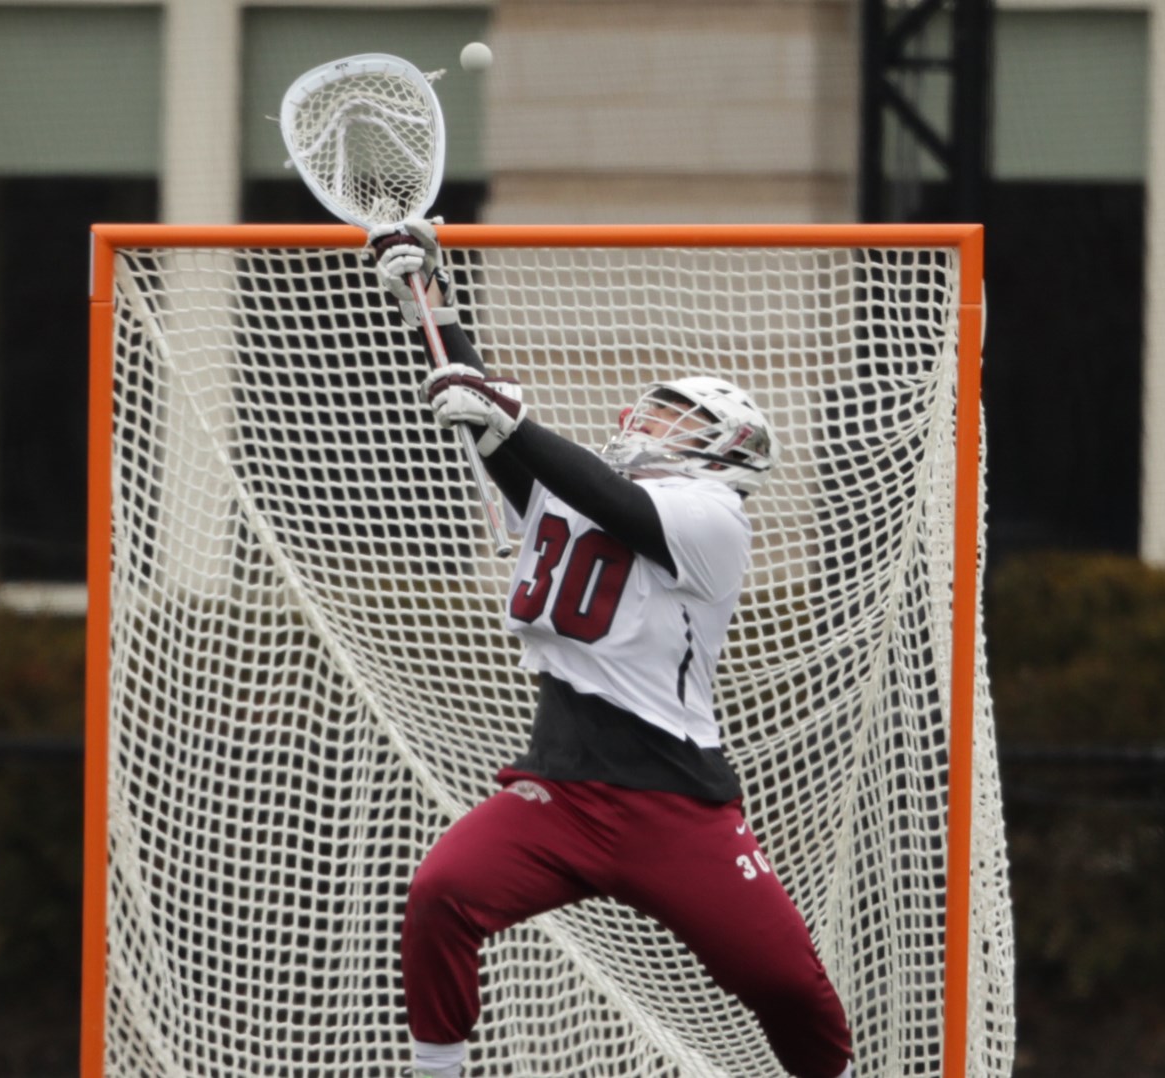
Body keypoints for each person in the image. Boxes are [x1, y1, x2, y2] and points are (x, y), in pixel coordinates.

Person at [365, 219, 856, 1078]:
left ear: (721, 442)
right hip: (558, 792)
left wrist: (508, 417)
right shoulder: (586, 488)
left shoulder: (714, 518)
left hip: (673, 807)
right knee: (442, 894)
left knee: (790, 990)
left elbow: (577, 479)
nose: (643, 416)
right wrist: (429, 308)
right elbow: (514, 453)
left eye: (670, 412)